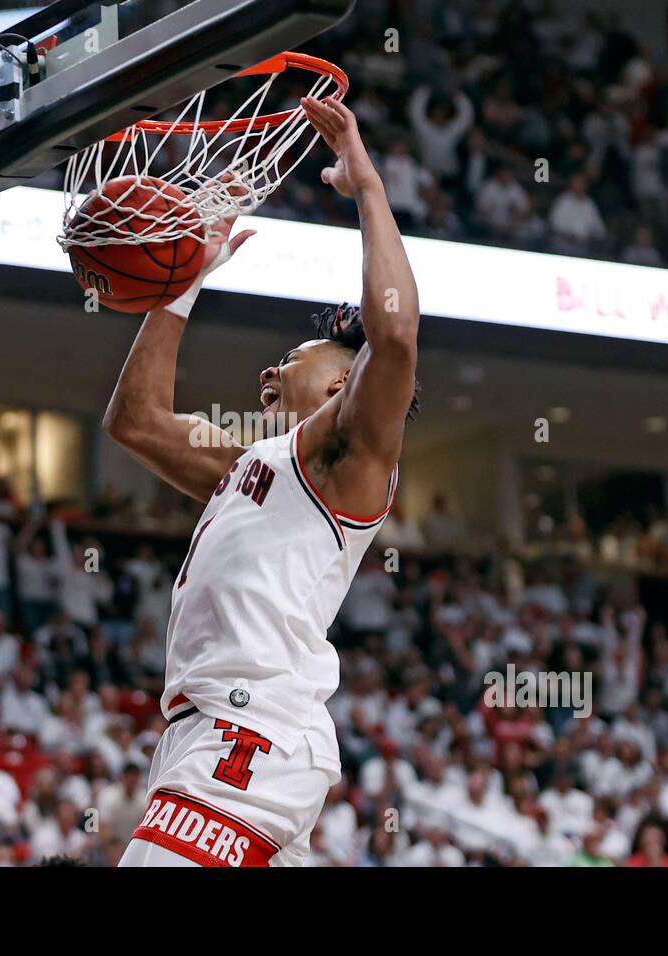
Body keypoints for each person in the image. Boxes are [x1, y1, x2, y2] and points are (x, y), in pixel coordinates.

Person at [103, 97, 420, 867]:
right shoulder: (247, 464)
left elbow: (397, 332)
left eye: (294, 356)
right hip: (205, 735)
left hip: (248, 732)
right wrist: (184, 282)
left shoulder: (345, 461)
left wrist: (369, 192)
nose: (270, 369)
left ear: (345, 386)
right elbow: (134, 421)